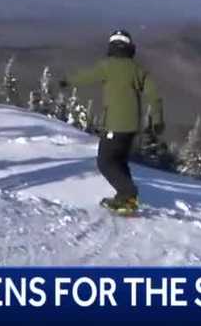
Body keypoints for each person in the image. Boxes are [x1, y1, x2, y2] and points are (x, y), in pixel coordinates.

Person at [61, 30, 164, 214]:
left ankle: (128, 193)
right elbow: (154, 95)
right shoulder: (138, 69)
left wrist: (66, 81)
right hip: (132, 126)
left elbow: (86, 76)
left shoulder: (107, 66)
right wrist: (157, 119)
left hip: (115, 125)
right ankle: (127, 199)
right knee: (120, 161)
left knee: (106, 162)